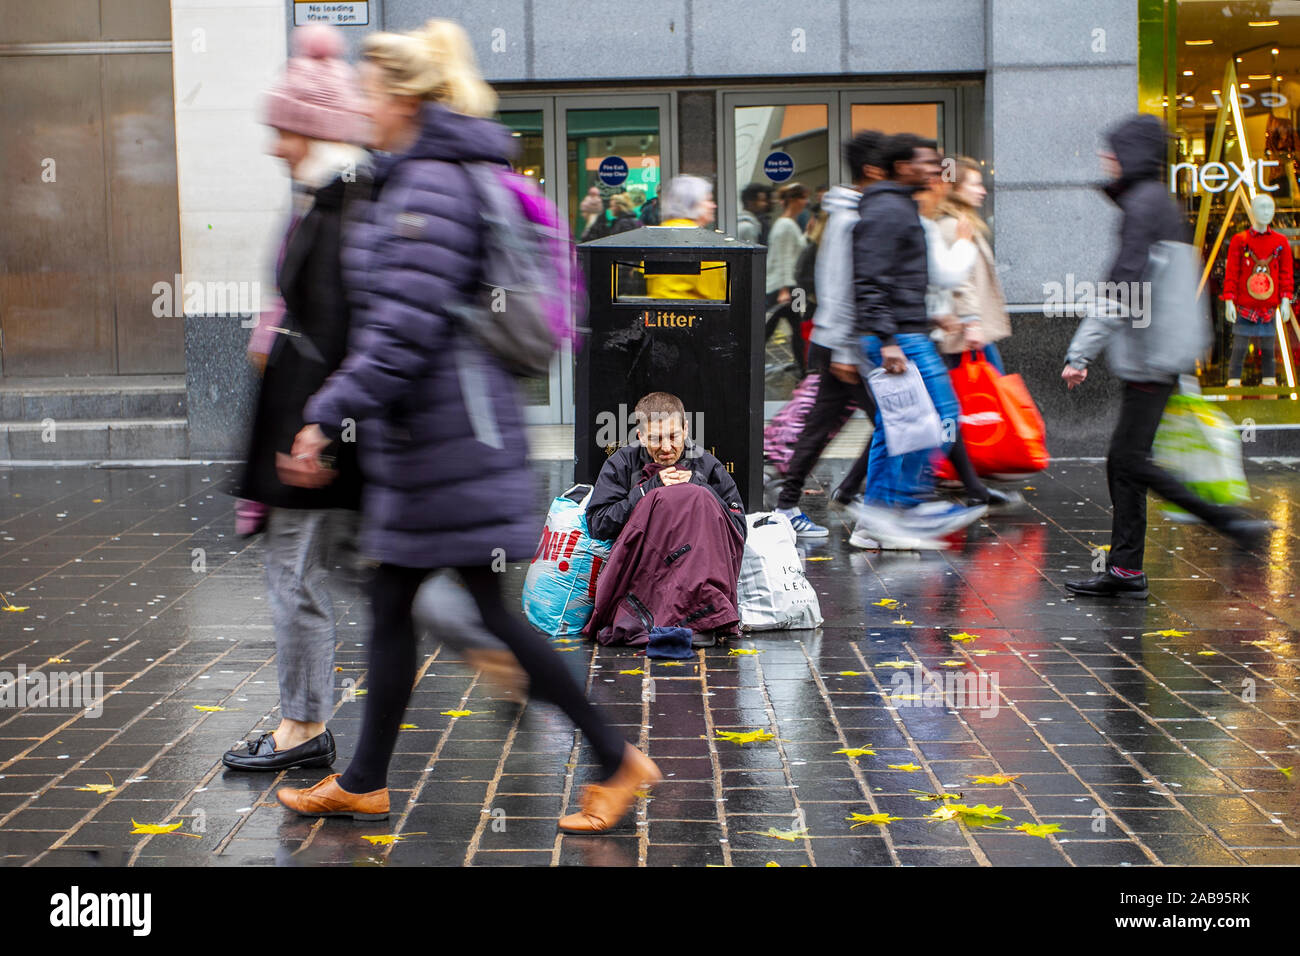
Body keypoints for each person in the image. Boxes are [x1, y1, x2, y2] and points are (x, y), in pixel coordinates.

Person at [274, 18, 659, 833]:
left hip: (451, 439)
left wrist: (326, 416)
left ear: (406, 97)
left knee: (488, 613)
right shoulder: (422, 176)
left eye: (374, 91)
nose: (365, 105)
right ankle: (366, 779)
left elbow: (403, 330)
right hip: (440, 439)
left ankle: (615, 760)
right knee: (396, 602)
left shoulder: (429, 187)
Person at [224, 23, 368, 773]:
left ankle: (304, 722)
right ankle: (304, 717)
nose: (274, 144)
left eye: (283, 127)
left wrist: (321, 431)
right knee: (334, 574)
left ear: (311, 128)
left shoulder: (341, 213)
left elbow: (339, 334)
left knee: (299, 574)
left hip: (309, 437)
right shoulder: (326, 204)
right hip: (309, 430)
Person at [1061, 114, 1273, 599]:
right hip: (1161, 351)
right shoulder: (1157, 202)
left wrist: (1081, 352)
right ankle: (1126, 570)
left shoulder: (1144, 204)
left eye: (1112, 150)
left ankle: (1234, 526)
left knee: (1130, 460)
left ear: (1132, 154)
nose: (1105, 157)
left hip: (1151, 356)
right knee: (1124, 460)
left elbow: (1123, 288)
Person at [838, 133, 988, 547]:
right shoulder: (889, 210)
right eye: (926, 161)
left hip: (903, 331)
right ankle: (897, 507)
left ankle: (882, 516)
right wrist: (887, 339)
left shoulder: (895, 207)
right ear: (901, 167)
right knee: (937, 417)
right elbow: (870, 281)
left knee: (901, 425)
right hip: (899, 337)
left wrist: (931, 315)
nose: (935, 167)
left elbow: (895, 279)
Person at [772, 131, 884, 537]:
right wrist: (843, 350)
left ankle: (798, 502)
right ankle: (862, 501)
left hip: (842, 341)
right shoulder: (850, 217)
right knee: (888, 423)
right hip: (843, 344)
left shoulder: (852, 213)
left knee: (824, 425)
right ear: (873, 170)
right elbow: (836, 283)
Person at [586, 392, 747, 647]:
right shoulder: (621, 465)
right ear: (640, 436)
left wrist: (699, 489)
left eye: (673, 436)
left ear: (685, 429)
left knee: (699, 497)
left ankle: (700, 616)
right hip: (645, 576)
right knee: (660, 498)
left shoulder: (707, 465)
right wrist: (645, 491)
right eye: (655, 438)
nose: (666, 448)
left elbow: (737, 528)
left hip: (700, 572)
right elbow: (597, 523)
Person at [936, 158, 1010, 375]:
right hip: (966, 334)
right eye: (975, 184)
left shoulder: (961, 223)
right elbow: (960, 278)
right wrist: (972, 322)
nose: (982, 191)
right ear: (954, 188)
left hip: (969, 332)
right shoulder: (952, 226)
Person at [643, 175, 726, 300]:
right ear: (692, 204)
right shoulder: (700, 242)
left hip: (660, 316)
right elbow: (715, 297)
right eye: (708, 200)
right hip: (693, 317)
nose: (713, 206)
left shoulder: (660, 234)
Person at [765, 182, 811, 376]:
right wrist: (784, 290)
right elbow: (784, 257)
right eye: (802, 197)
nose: (806, 202)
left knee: (796, 327)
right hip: (787, 287)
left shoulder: (788, 224)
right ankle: (803, 368)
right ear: (793, 200)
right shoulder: (785, 225)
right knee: (776, 328)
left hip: (790, 286)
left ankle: (803, 368)